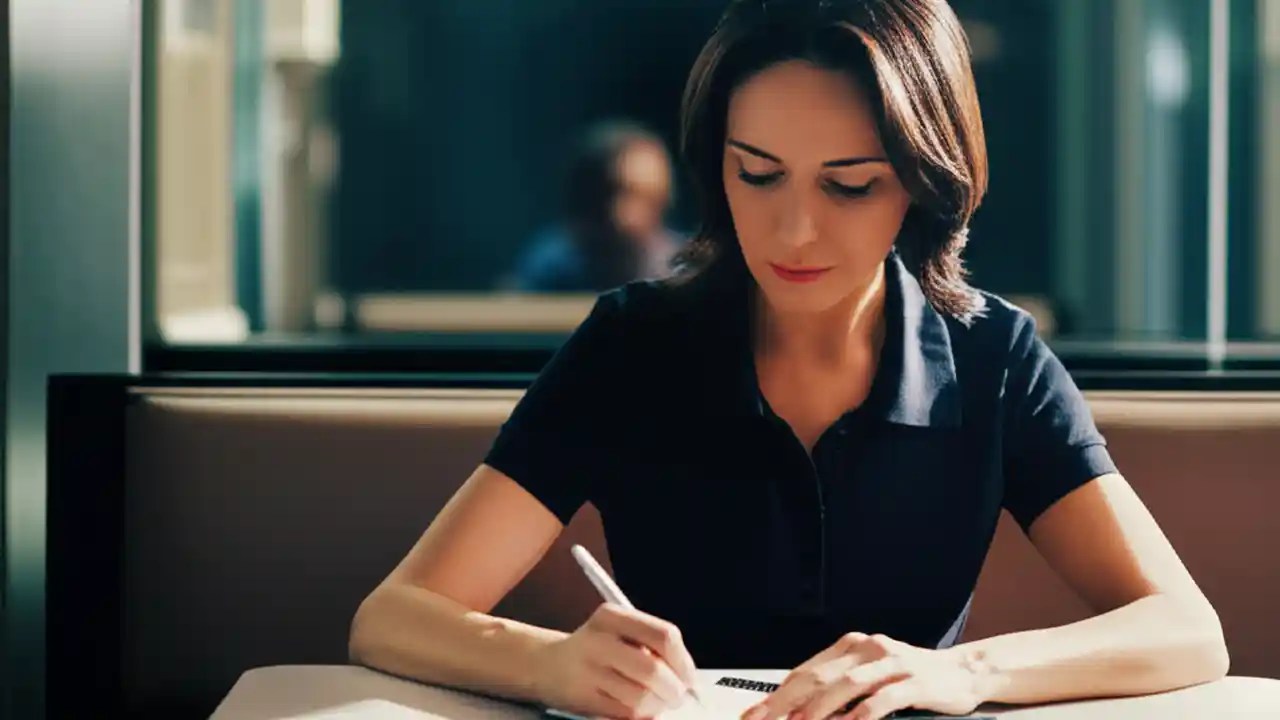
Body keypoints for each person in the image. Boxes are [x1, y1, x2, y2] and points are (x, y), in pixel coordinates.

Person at [350, 2, 1229, 719]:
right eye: (757, 175)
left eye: (849, 185)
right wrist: (551, 664)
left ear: (924, 184)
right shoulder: (634, 345)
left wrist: (958, 672)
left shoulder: (990, 357)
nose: (793, 231)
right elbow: (393, 617)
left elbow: (1186, 629)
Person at [505, 120, 683, 292]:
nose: (629, 216)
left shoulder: (682, 270)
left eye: (649, 198)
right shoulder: (548, 268)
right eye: (620, 194)